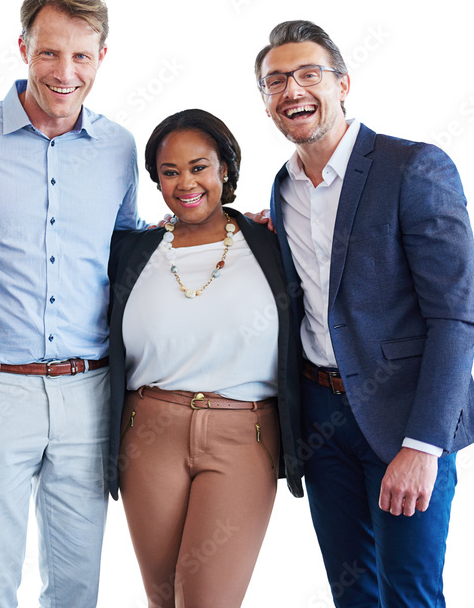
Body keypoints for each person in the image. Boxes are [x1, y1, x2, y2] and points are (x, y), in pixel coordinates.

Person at [0, 0, 142, 606]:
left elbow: (126, 247)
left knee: (77, 586)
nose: (64, 72)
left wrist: (229, 232)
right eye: (49, 53)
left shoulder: (120, 148)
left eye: (81, 56)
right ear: (22, 48)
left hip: (87, 392)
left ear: (103, 57)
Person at [255, 20, 474, 606]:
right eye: (275, 81)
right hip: (320, 417)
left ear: (343, 84)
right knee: (352, 593)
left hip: (404, 418)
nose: (292, 91)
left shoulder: (414, 168)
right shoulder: (282, 190)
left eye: (309, 74)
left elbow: (456, 319)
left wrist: (424, 446)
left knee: (409, 594)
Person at [107, 109, 302, 607]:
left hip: (244, 435)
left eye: (199, 167)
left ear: (225, 171)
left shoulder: (271, 242)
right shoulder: (132, 250)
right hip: (148, 432)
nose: (185, 183)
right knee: (164, 599)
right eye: (170, 172)